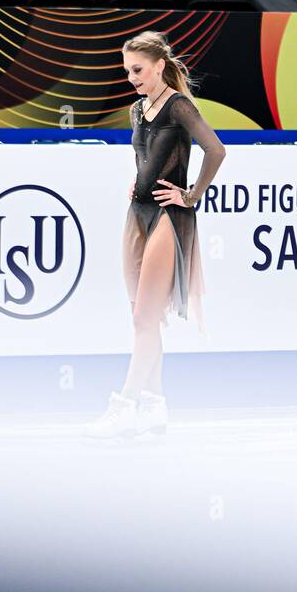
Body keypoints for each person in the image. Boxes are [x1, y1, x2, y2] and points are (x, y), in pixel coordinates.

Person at [84, 31, 227, 439]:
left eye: (138, 69)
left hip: (169, 216)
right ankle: (155, 405)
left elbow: (215, 150)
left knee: (145, 316)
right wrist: (137, 183)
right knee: (142, 318)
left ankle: (125, 403)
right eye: (127, 71)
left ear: (159, 66)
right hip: (138, 213)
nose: (131, 77)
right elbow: (145, 157)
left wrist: (192, 194)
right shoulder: (136, 109)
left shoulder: (179, 106)